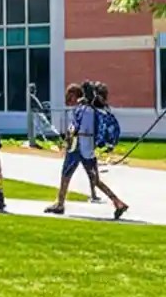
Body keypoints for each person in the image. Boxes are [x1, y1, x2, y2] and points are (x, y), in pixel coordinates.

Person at [45, 81, 129, 219]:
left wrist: (67, 139)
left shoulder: (81, 109)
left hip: (77, 146)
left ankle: (60, 203)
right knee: (95, 179)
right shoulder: (94, 110)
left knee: (66, 173)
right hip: (88, 147)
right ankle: (117, 202)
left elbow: (74, 128)